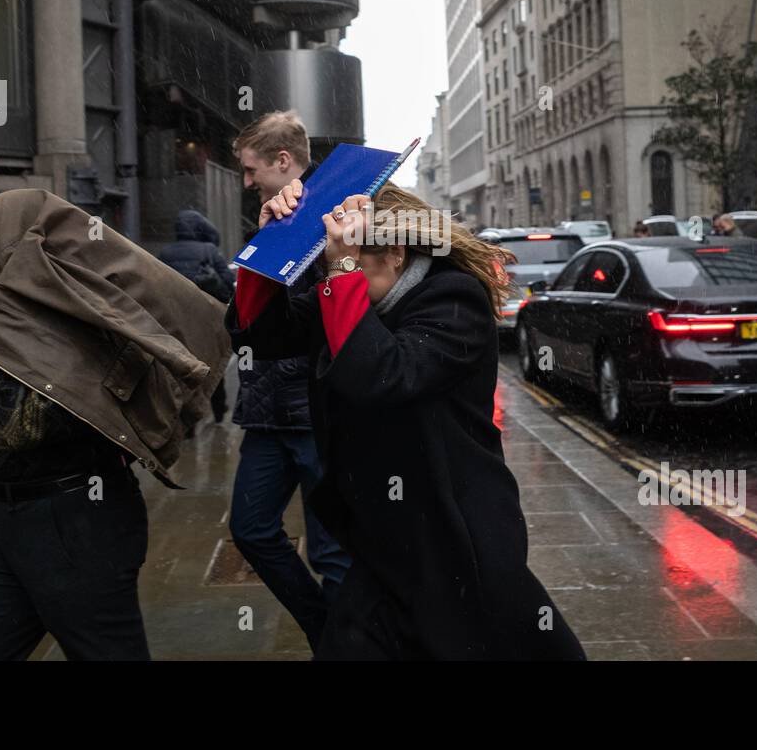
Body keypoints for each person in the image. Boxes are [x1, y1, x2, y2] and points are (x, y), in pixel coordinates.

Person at [229, 181, 587, 659]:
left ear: (395, 251)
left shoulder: (454, 299)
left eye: (352, 251)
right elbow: (261, 336)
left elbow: (380, 376)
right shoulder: (348, 294)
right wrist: (274, 243)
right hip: (385, 535)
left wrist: (343, 268)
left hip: (455, 536)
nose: (327, 270)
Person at [0, 189, 229, 659]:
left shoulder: (50, 318)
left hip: (72, 523)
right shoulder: (7, 314)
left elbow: (25, 428)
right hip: (14, 521)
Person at [227, 111, 350, 651]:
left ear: (284, 161)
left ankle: (349, 646)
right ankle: (326, 629)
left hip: (318, 412)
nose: (248, 182)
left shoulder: (335, 214)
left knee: (332, 553)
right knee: (252, 530)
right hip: (267, 410)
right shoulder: (271, 217)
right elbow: (248, 324)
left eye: (253, 170)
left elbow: (317, 322)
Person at [159, 209, 236, 421]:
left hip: (178, 319)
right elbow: (228, 282)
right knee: (213, 364)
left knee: (182, 365)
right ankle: (219, 411)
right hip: (207, 318)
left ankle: (186, 418)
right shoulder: (209, 250)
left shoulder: (166, 253)